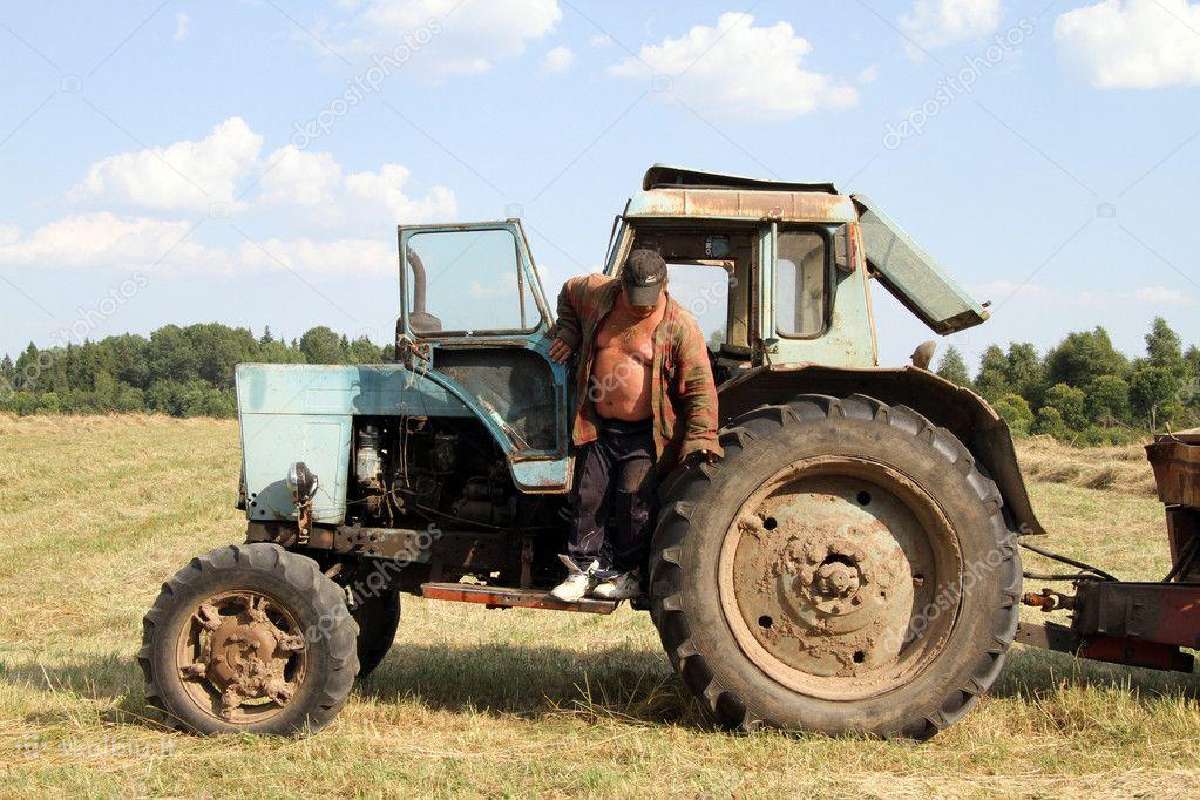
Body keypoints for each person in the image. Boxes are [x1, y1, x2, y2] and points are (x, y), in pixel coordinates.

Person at [545, 248, 722, 602]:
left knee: (634, 503)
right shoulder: (597, 293)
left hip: (644, 434)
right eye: (635, 297)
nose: (642, 307)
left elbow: (700, 386)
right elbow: (567, 293)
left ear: (664, 286)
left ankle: (627, 573)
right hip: (596, 425)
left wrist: (702, 437)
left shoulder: (680, 325)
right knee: (588, 497)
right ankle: (582, 570)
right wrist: (569, 331)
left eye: (649, 299)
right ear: (622, 285)